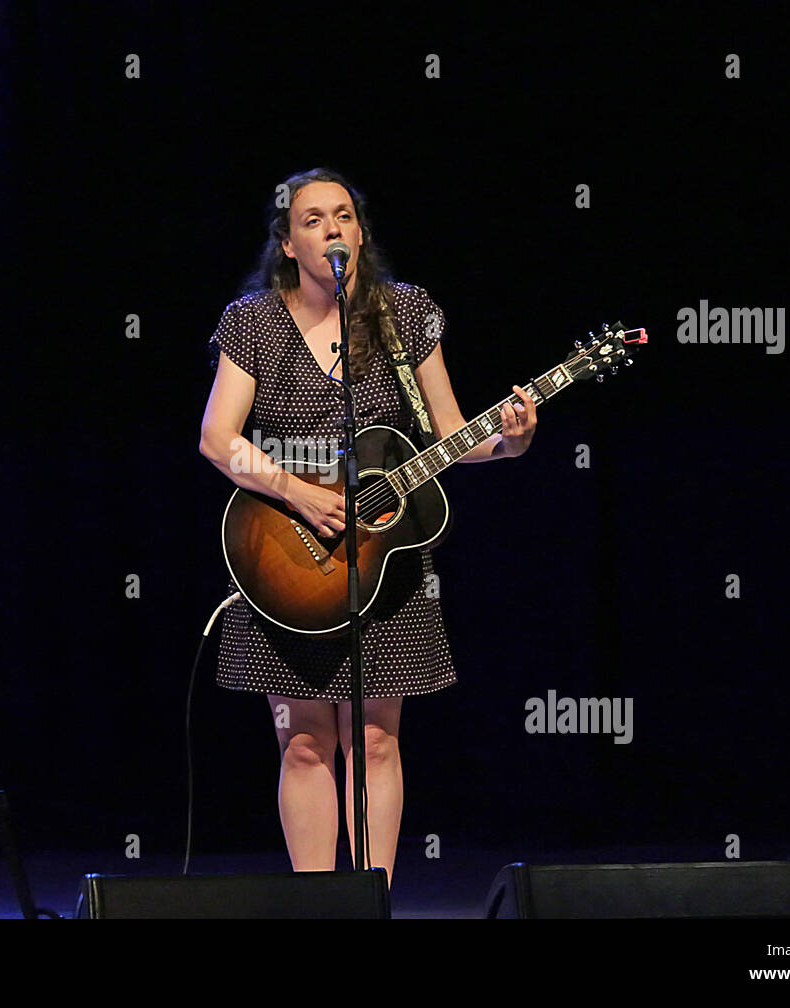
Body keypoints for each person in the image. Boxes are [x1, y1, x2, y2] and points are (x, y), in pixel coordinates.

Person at [198, 168, 536, 888]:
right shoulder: (252, 322)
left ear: (361, 232)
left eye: (343, 216)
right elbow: (217, 438)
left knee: (376, 740)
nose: (331, 230)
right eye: (312, 219)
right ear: (287, 242)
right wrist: (293, 490)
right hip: (284, 548)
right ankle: (318, 903)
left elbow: (451, 433)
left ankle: (372, 899)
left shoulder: (404, 314)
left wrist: (509, 440)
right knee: (303, 744)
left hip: (385, 558)